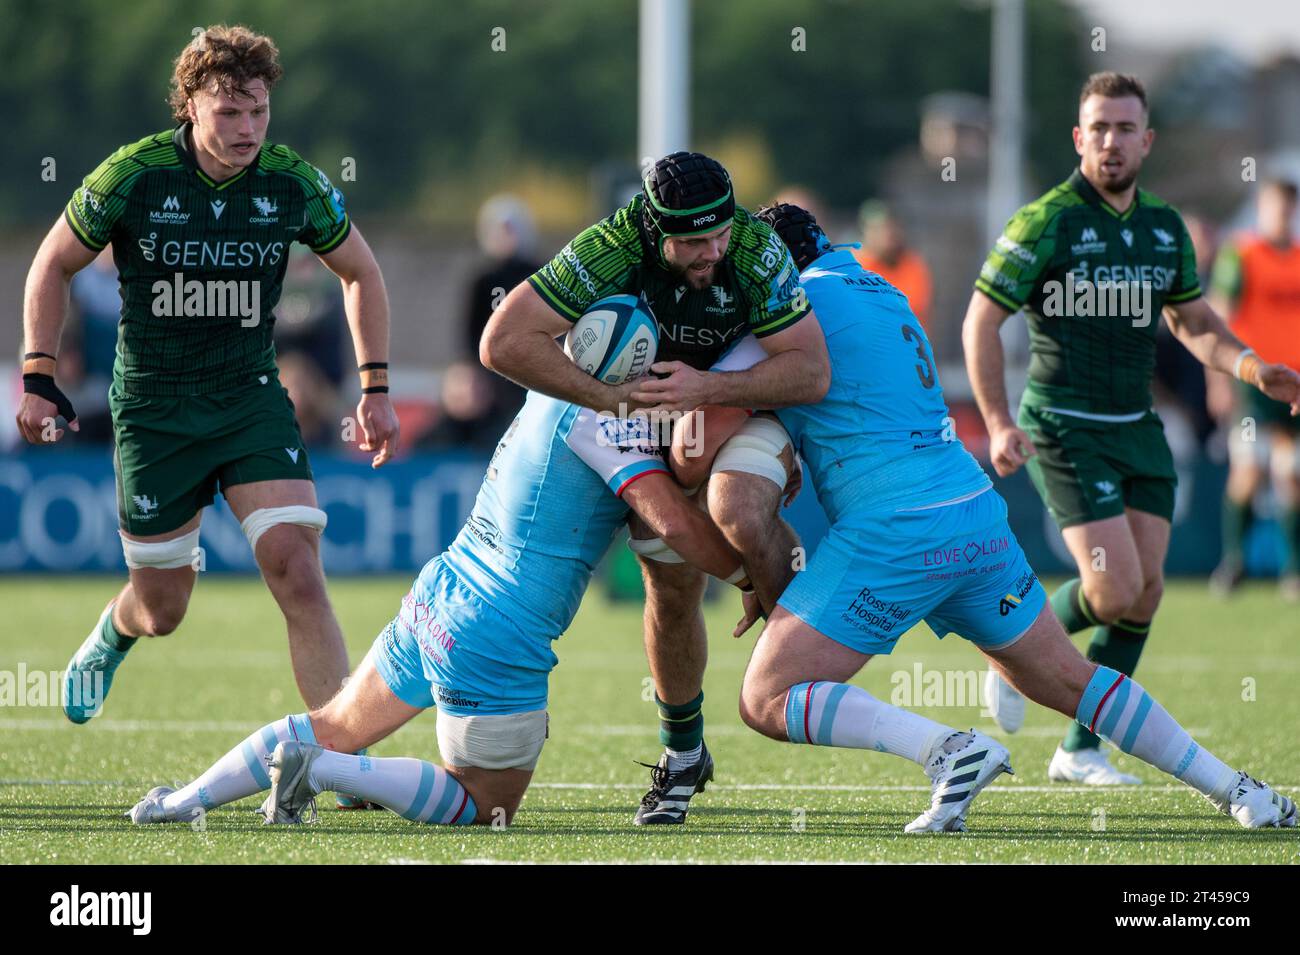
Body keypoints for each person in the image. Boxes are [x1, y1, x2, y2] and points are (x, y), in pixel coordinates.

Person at [674, 202, 1295, 832]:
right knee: (1069, 679)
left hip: (895, 528)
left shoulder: (790, 307)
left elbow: (697, 446)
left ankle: (948, 751)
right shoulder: (882, 288)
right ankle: (1238, 789)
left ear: (773, 261)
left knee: (765, 697)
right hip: (971, 510)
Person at [127, 351, 760, 828]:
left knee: (331, 721)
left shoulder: (547, 395)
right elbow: (672, 523)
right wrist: (751, 577)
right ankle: (320, 770)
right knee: (485, 807)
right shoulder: (607, 420)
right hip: (496, 630)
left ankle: (182, 801)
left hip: (441, 590)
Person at [15, 26, 399, 737]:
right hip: (155, 409)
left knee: (297, 568)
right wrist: (38, 374)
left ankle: (342, 750)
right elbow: (51, 263)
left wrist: (375, 388)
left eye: (258, 110)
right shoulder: (133, 174)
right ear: (189, 105)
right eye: (229, 112)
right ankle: (116, 628)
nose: (248, 127)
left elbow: (361, 271)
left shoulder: (293, 182)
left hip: (249, 397)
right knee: (164, 607)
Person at [962, 72, 1300, 784]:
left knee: (1146, 592)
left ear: (1146, 141)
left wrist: (1250, 368)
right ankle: (1006, 642)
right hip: (1063, 423)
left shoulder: (1164, 228)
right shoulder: (1044, 220)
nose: (1111, 141)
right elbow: (981, 320)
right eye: (1099, 128)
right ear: (1079, 137)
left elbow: (1193, 322)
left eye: (1125, 128)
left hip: (1136, 427)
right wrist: (996, 420)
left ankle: (1079, 747)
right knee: (1114, 591)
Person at [480, 151, 828, 823]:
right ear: (653, 230)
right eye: (694, 241)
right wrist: (606, 398)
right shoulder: (609, 248)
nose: (713, 251)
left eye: (720, 232)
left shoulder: (753, 250)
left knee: (735, 503)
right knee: (668, 581)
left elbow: (810, 371)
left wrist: (709, 390)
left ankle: (810, 666)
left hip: (739, 398)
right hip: (644, 413)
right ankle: (683, 751)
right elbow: (502, 342)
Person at [1206, 178, 1300, 600]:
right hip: (1254, 382)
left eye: (1286, 208)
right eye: (1272, 207)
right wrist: (1219, 380)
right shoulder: (1241, 254)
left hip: (1294, 387)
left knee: (1290, 475)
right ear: (1261, 208)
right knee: (1249, 471)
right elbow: (1217, 318)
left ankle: (1293, 572)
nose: (1279, 215)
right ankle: (1233, 562)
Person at [852, 200, 933, 331]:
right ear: (866, 232)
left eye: (893, 227)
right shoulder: (854, 268)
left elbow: (919, 309)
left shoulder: (913, 264)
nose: (888, 234)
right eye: (880, 229)